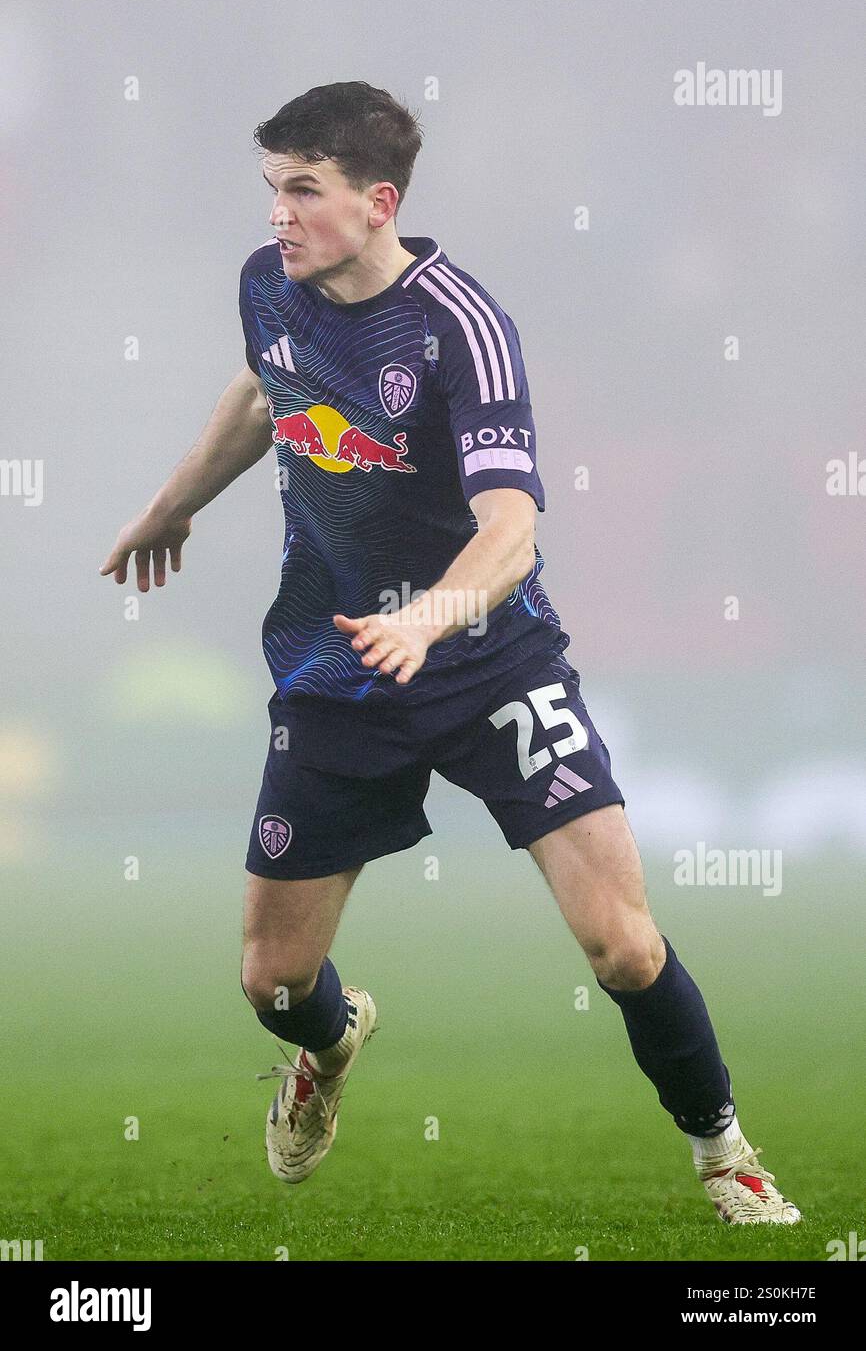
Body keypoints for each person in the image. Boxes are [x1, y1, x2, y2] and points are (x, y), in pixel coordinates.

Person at [101, 81, 799, 1226]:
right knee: (272, 983)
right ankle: (327, 1048)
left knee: (621, 947)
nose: (277, 215)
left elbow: (512, 531)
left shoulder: (458, 328)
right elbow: (260, 387)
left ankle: (726, 1153)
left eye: (302, 192)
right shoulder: (266, 283)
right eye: (270, 189)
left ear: (377, 203)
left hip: (486, 664)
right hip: (338, 665)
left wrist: (427, 617)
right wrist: (173, 505)